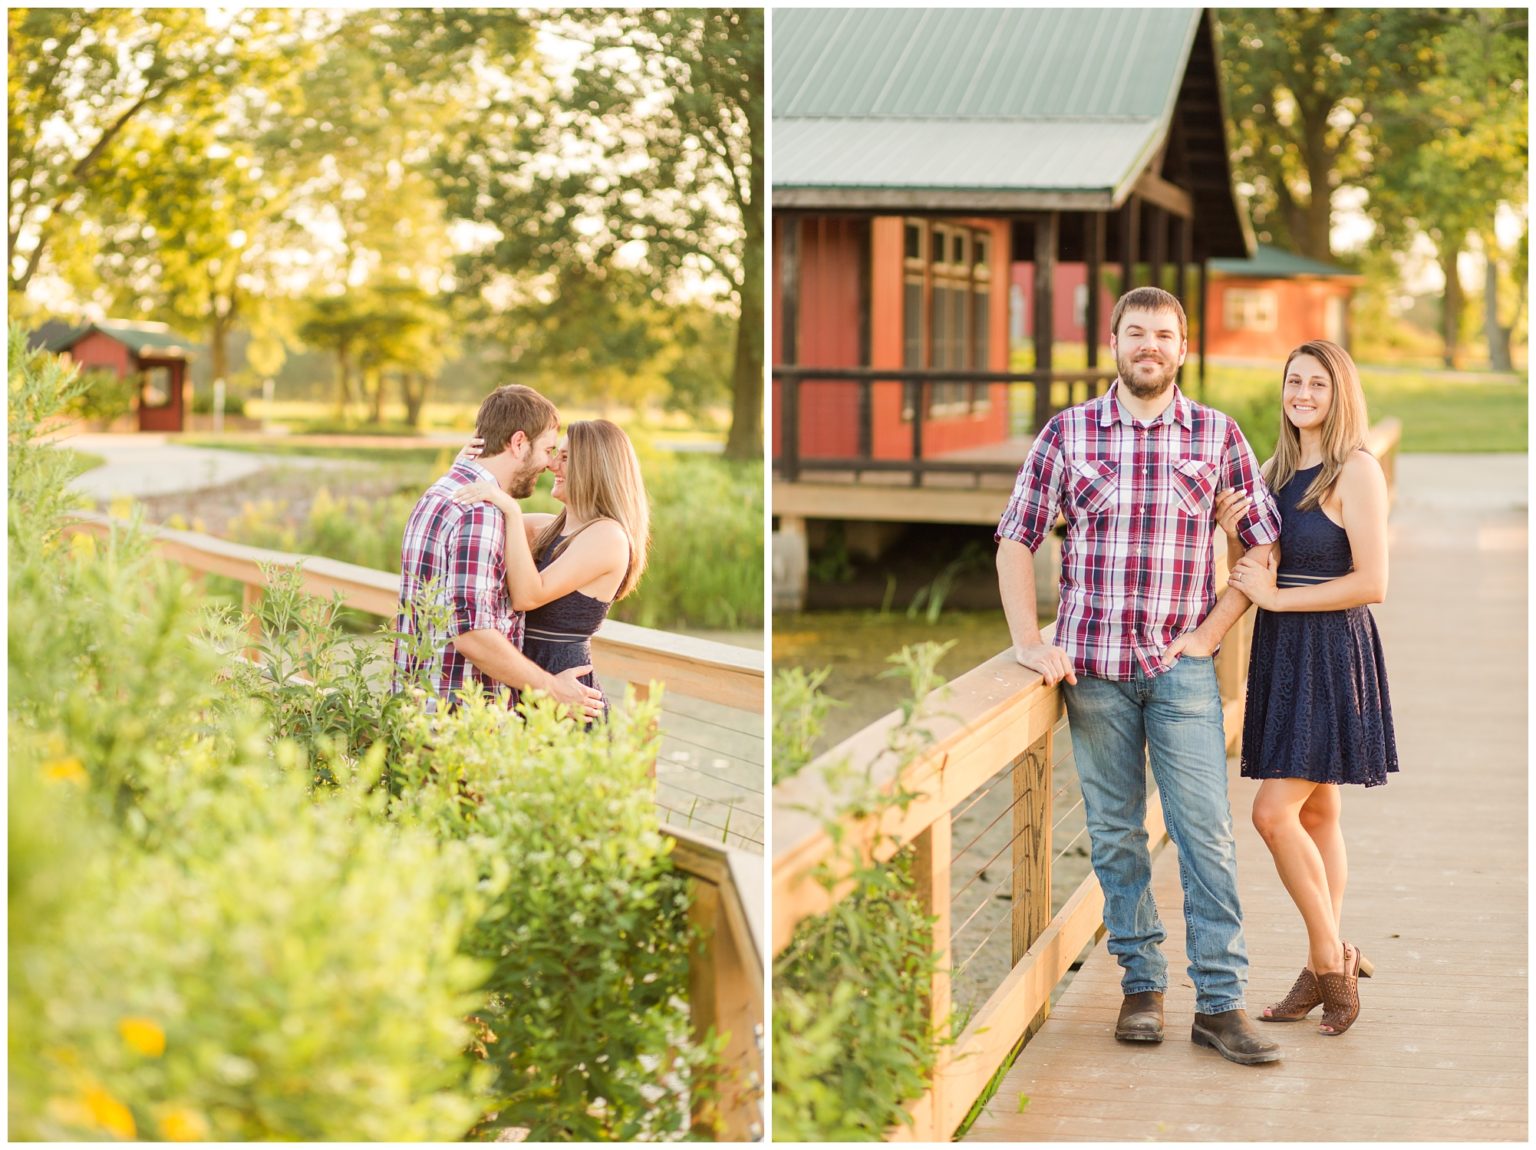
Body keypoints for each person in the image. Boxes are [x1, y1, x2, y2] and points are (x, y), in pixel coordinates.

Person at [995, 286, 1285, 1066]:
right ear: (1115, 343)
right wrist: (1029, 639)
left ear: (1182, 348)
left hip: (1182, 671)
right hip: (1092, 673)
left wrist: (1212, 632)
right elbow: (1016, 538)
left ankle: (1220, 1004)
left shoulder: (1218, 436)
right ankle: (1142, 985)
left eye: (1163, 334)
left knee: (1207, 839)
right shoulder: (1069, 432)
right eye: (1135, 332)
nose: (1148, 344)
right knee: (1117, 837)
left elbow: (1262, 547)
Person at [1215, 339, 1395, 1037]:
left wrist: (1280, 601)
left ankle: (1330, 958)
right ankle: (1324, 960)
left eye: (1317, 383)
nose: (1303, 394)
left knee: (1271, 814)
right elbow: (1261, 565)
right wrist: (1236, 534)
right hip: (1284, 653)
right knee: (1318, 816)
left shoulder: (1356, 471)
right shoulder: (1276, 469)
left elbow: (1373, 582)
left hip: (1329, 650)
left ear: (1338, 393)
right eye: (1294, 381)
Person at [392, 384, 604, 720]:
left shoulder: (440, 491)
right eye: (548, 450)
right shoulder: (480, 511)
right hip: (458, 725)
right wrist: (553, 689)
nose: (549, 464)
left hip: (417, 713)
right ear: (519, 442)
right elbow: (473, 635)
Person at [452, 418, 650, 721]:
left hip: (568, 701)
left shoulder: (607, 536)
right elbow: (477, 516)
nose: (551, 464)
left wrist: (512, 510)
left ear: (594, 467)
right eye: (555, 453)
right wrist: (464, 470)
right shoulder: (548, 527)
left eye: (566, 457)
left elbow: (528, 596)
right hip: (530, 688)